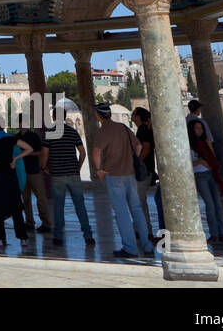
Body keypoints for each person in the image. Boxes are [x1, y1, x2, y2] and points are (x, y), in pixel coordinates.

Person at [91, 103, 153, 258]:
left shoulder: (103, 131)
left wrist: (99, 169)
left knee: (121, 212)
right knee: (137, 209)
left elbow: (96, 152)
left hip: (114, 174)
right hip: (130, 174)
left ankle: (130, 248)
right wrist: (132, 161)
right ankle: (147, 246)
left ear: (98, 115)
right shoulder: (123, 128)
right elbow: (138, 146)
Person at [44, 114, 94, 246]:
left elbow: (45, 153)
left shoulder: (50, 133)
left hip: (57, 175)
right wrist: (78, 167)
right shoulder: (72, 132)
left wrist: (44, 167)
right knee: (80, 205)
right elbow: (82, 152)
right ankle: (88, 236)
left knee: (59, 207)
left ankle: (58, 237)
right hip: (73, 174)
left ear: (54, 116)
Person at [189, 119, 223, 244]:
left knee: (217, 204)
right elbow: (187, 163)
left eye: (201, 128)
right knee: (210, 205)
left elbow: (213, 157)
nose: (199, 131)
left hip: (211, 174)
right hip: (200, 176)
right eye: (196, 128)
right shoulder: (189, 144)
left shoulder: (205, 142)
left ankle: (222, 233)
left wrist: (209, 146)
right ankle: (213, 234)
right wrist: (200, 162)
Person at [131, 107, 160, 237]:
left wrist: (137, 163)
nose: (132, 115)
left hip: (143, 170)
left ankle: (145, 231)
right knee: (140, 201)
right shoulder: (143, 129)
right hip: (146, 169)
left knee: (138, 201)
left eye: (134, 113)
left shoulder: (143, 129)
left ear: (138, 116)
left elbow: (146, 149)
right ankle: (140, 228)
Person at [17, 122, 52, 234]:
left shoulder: (34, 136)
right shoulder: (16, 138)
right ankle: (29, 222)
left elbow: (41, 151)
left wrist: (28, 153)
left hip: (34, 171)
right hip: (22, 172)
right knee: (25, 198)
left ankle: (46, 223)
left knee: (41, 198)